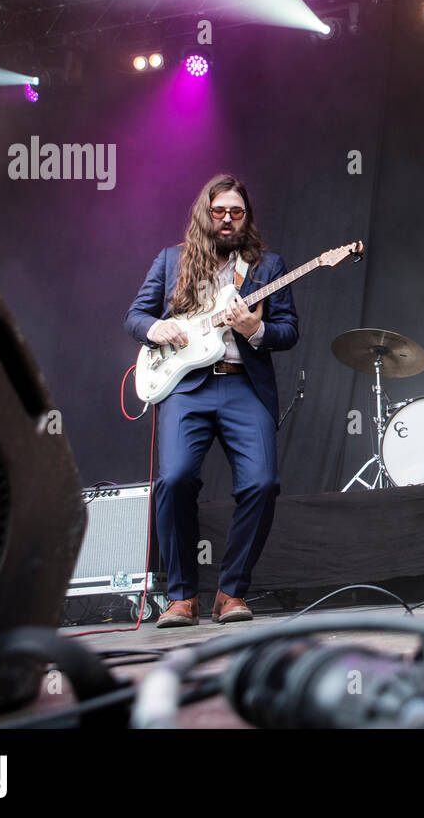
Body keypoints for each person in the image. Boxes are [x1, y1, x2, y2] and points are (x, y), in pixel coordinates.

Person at [124, 174, 299, 624]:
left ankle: (231, 591)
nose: (227, 219)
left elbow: (288, 331)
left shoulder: (268, 266)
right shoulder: (171, 261)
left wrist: (252, 329)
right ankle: (182, 596)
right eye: (219, 211)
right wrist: (153, 328)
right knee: (176, 479)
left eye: (236, 213)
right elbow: (135, 315)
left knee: (262, 484)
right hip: (186, 387)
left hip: (243, 385)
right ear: (206, 213)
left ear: (246, 218)